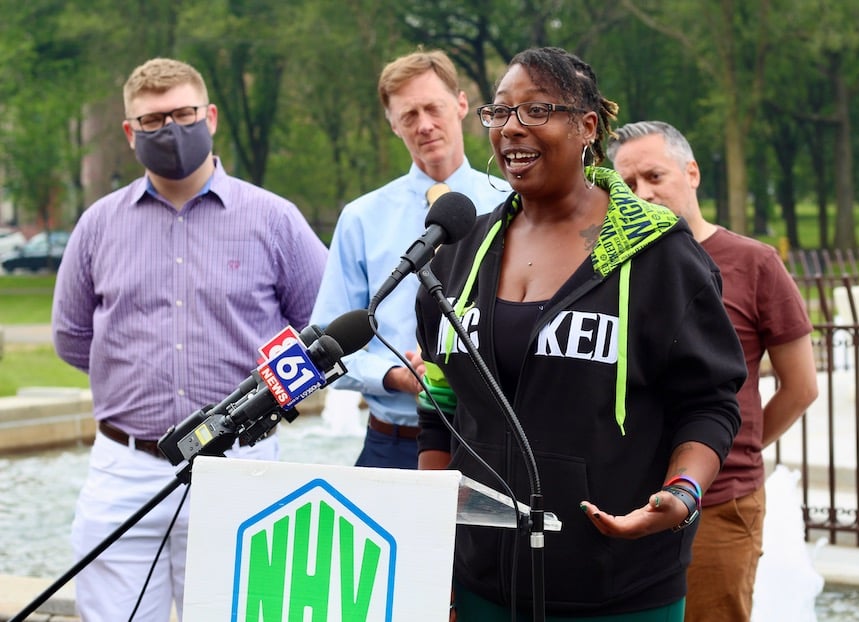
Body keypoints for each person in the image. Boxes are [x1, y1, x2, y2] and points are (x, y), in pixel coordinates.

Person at [415, 47, 747, 621]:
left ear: (586, 125)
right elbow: (439, 397)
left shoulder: (657, 255)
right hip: (484, 584)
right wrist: (431, 538)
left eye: (537, 110)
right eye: (500, 113)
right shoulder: (461, 252)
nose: (513, 127)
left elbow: (710, 402)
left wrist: (683, 494)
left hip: (619, 584)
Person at [52, 57, 328, 622]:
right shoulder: (98, 225)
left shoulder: (274, 220)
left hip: (243, 465)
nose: (170, 130)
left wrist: (261, 405)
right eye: (152, 120)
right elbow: (73, 337)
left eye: (182, 113)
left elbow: (321, 332)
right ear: (130, 132)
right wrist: (137, 381)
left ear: (211, 116)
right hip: (126, 468)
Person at [609, 120, 819, 622]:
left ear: (692, 173)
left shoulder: (755, 263)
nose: (644, 193)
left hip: (720, 504)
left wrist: (729, 447)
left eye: (655, 176)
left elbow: (801, 386)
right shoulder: (610, 267)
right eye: (629, 183)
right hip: (623, 502)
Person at [309, 48, 503, 469]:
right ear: (392, 123)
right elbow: (328, 341)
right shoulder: (361, 218)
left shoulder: (513, 205)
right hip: (392, 443)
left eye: (433, 108)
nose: (425, 125)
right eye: (409, 115)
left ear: (462, 105)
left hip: (490, 445)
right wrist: (394, 375)